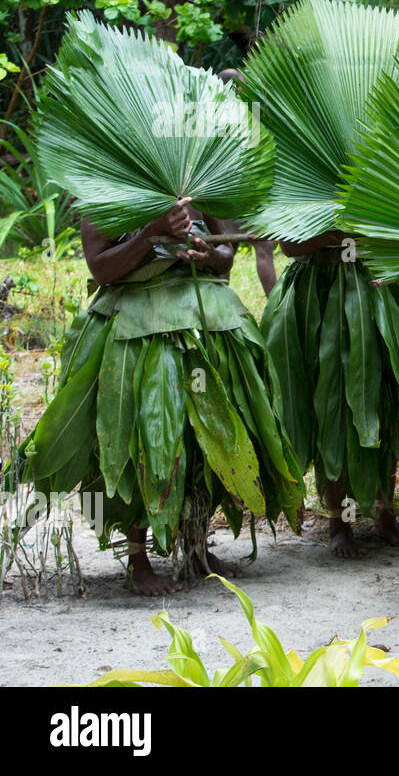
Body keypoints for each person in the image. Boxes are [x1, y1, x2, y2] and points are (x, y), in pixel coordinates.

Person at [20, 197, 304, 595]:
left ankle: (197, 547)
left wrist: (208, 255)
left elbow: (226, 255)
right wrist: (150, 234)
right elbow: (100, 268)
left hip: (203, 317)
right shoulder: (113, 186)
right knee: (141, 439)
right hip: (135, 321)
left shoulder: (195, 181)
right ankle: (138, 560)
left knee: (205, 442)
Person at [262, 229, 399, 558]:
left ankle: (385, 516)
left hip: (379, 287)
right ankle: (340, 523)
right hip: (321, 292)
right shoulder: (303, 181)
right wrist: (338, 228)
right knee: (332, 409)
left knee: (387, 403)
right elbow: (290, 246)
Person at [215, 68, 276, 296]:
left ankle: (272, 306)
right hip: (239, 191)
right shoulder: (240, 116)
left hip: (228, 193)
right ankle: (274, 307)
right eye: (243, 85)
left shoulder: (210, 116)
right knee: (257, 248)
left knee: (228, 249)